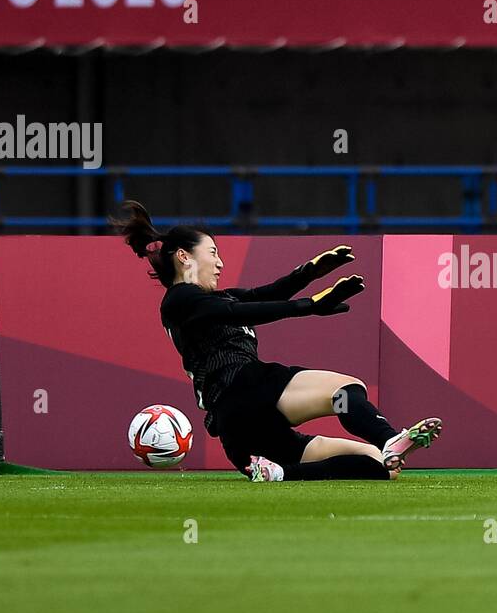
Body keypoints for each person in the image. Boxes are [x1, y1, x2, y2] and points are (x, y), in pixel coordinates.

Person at [112, 200, 441, 482]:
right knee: (347, 389)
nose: (220, 262)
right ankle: (389, 437)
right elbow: (244, 311)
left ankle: (281, 473)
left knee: (380, 466)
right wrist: (310, 305)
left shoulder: (211, 300)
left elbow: (262, 295)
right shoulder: (180, 298)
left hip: (242, 434)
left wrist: (309, 273)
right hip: (244, 389)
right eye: (212, 252)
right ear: (184, 257)